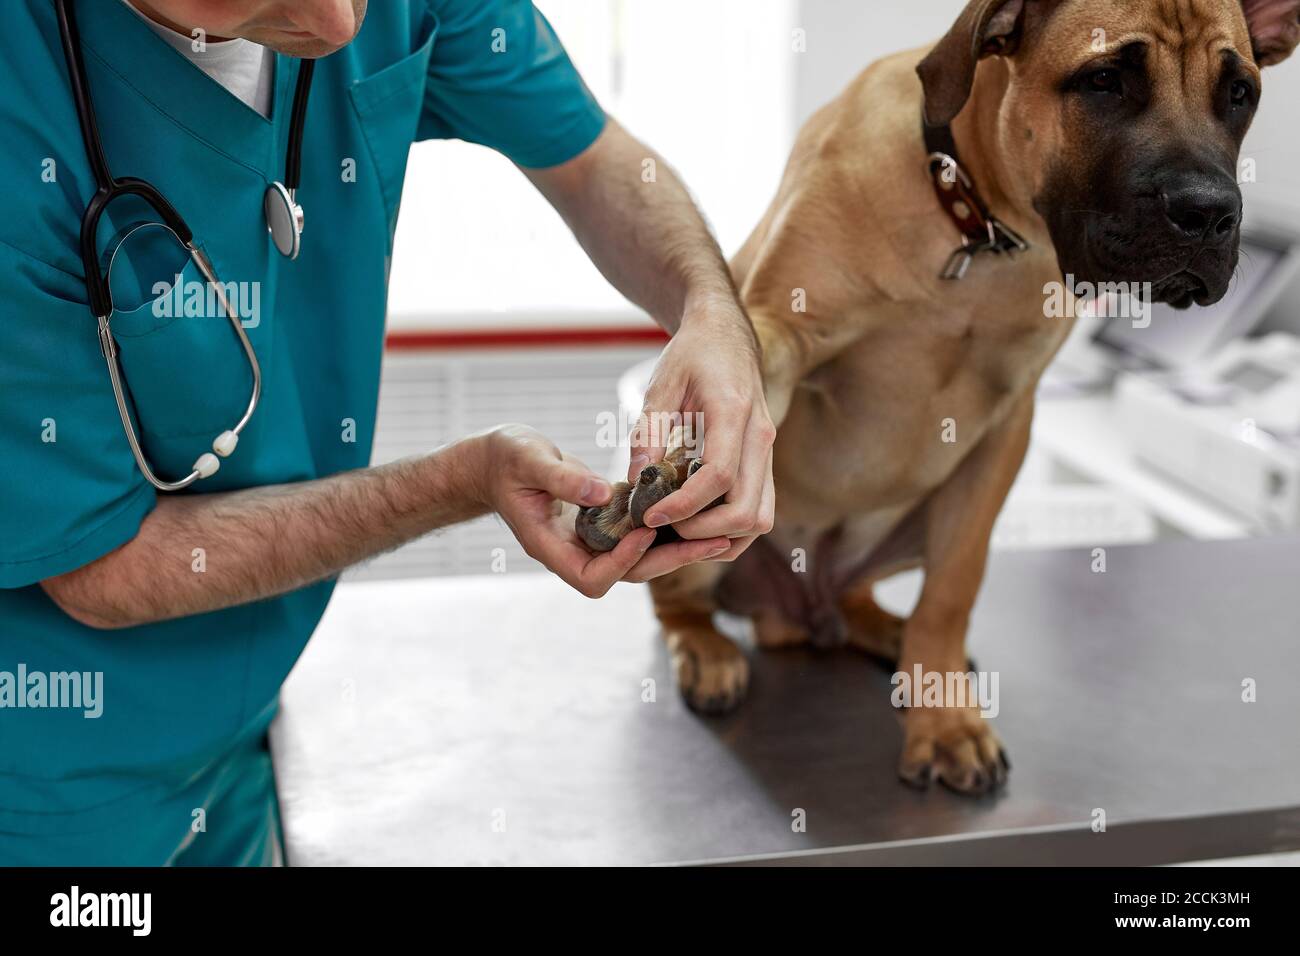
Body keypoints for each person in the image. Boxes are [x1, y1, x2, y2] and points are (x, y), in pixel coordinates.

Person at [0, 0, 775, 864]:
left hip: (250, 731)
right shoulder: (18, 121)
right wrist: (458, 483)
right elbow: (102, 569)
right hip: (54, 781)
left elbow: (593, 163)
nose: (340, 26)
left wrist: (714, 314)